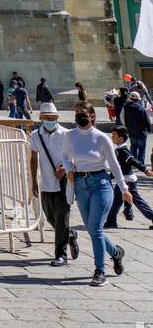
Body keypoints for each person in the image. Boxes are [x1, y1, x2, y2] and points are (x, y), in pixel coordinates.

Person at [67, 100, 132, 285]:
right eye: (77, 113)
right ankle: (116, 252)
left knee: (95, 228)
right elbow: (64, 154)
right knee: (92, 229)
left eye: (83, 113)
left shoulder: (102, 138)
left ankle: (99, 271)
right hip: (80, 184)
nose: (79, 116)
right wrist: (69, 168)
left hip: (101, 184)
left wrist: (124, 189)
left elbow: (114, 165)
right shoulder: (70, 136)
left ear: (92, 116)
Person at [29, 103, 78, 266]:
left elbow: (74, 156)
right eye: (48, 118)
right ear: (41, 118)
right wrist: (33, 181)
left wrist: (64, 169)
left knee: (62, 218)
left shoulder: (66, 134)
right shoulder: (36, 135)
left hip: (63, 181)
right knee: (50, 216)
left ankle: (60, 255)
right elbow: (33, 159)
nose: (51, 120)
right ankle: (69, 235)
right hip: (46, 181)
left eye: (54, 118)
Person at [104, 127, 153, 230]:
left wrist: (145, 170)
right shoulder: (119, 149)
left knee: (137, 201)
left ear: (121, 138)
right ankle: (111, 221)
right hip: (122, 179)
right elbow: (118, 167)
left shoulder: (123, 151)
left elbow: (133, 161)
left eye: (114, 135)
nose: (111, 137)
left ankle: (112, 220)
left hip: (128, 181)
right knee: (116, 201)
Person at [122, 91, 152, 167]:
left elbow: (125, 119)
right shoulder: (141, 109)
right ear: (137, 100)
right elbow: (147, 121)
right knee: (142, 149)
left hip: (131, 132)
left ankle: (133, 164)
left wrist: (127, 127)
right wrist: (149, 130)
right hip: (141, 133)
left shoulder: (126, 107)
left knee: (133, 147)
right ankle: (140, 165)